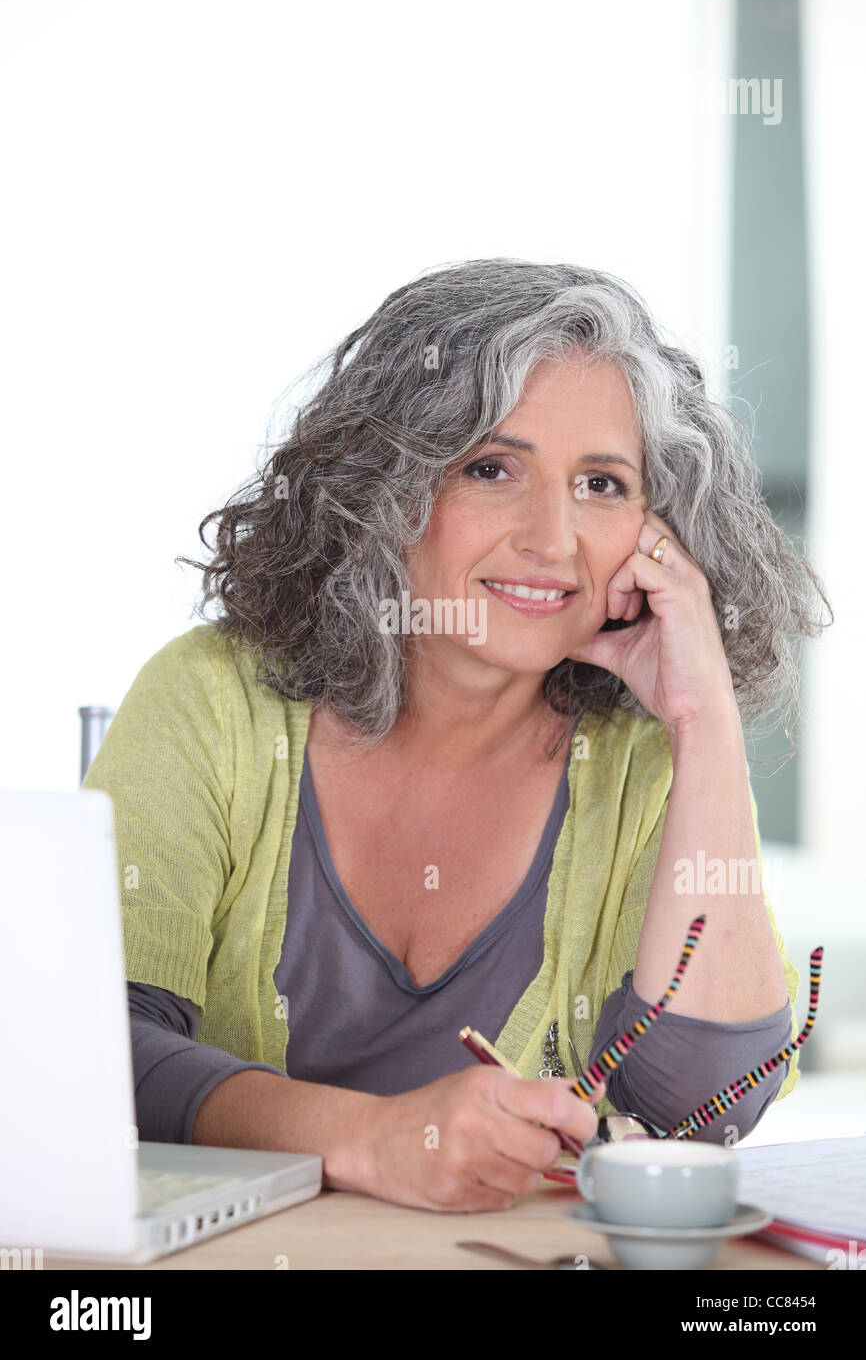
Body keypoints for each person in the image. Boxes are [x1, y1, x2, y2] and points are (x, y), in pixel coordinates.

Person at [84, 258, 831, 1213]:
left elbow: (701, 1112)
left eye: (602, 484)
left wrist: (705, 719)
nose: (552, 537)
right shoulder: (213, 699)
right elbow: (91, 1049)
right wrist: (366, 1138)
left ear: (658, 533)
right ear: (385, 488)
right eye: (491, 468)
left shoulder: (645, 758)